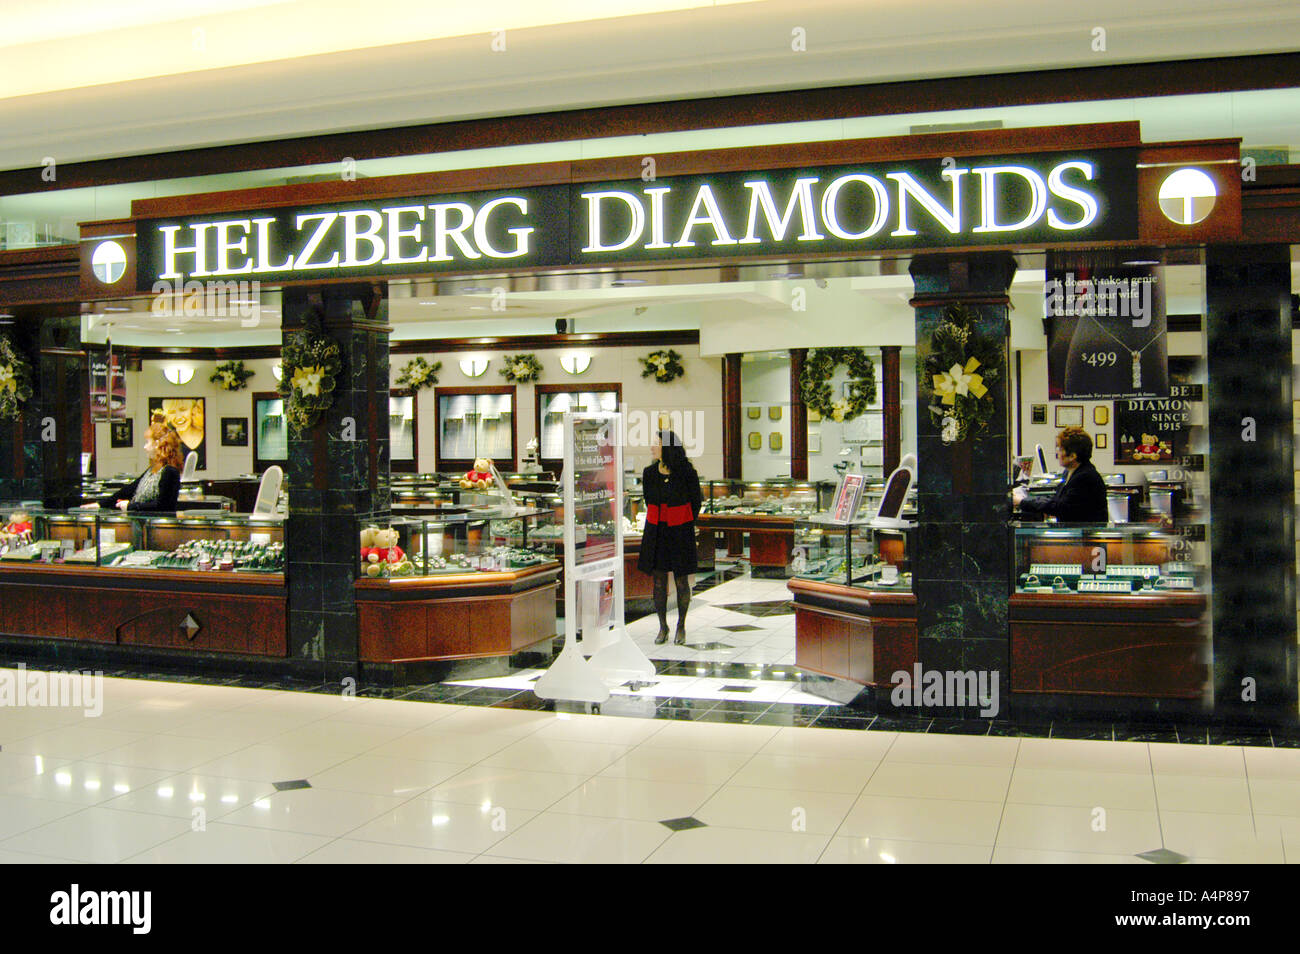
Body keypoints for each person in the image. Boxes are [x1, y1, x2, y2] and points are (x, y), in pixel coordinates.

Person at [637, 430, 703, 645]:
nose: (652, 447)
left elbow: (696, 503)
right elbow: (648, 500)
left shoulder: (686, 472)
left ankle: (681, 625)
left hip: (680, 532)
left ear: (667, 447)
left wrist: (683, 522)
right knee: (658, 581)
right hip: (656, 532)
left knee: (681, 580)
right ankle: (662, 626)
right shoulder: (649, 473)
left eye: (655, 443)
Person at [1013, 426, 1108, 523]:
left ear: (1072, 456)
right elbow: (1057, 500)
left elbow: (1060, 507)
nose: (1057, 452)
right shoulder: (1069, 472)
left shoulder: (1085, 477)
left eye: (1060, 449)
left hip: (1084, 534)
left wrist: (1022, 502)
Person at [97, 422, 183, 512]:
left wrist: (130, 506)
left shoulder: (170, 471)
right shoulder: (152, 470)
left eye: (147, 442)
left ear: (158, 444)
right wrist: (100, 504)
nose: (145, 447)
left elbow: (163, 505)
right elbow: (129, 489)